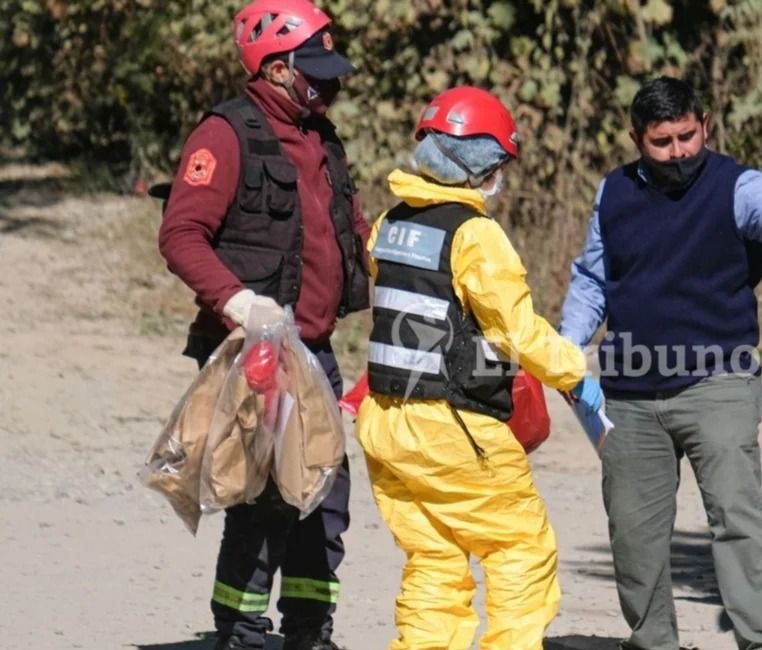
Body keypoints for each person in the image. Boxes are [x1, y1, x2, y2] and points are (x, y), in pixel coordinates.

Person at [559, 76, 762, 650]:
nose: (677, 152)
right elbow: (592, 279)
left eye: (686, 136)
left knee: (738, 519)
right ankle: (652, 642)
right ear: (635, 139)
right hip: (628, 392)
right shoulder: (614, 194)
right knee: (633, 532)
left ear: (705, 124)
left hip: (717, 381)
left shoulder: (738, 186)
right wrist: (565, 348)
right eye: (661, 142)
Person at [354, 86, 600, 650]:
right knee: (520, 549)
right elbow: (514, 331)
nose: (500, 177)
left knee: (435, 560)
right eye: (499, 164)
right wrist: (572, 369)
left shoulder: (389, 226)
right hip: (454, 426)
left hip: (386, 423)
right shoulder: (476, 235)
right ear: (478, 162)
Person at [157, 1, 369, 648]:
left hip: (314, 350)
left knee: (322, 500)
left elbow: (350, 232)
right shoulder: (225, 134)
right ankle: (243, 630)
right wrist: (237, 302)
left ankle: (308, 631)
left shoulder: (319, 136)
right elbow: (181, 234)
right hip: (253, 348)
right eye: (318, 72)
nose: (330, 86)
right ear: (277, 69)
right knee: (262, 499)